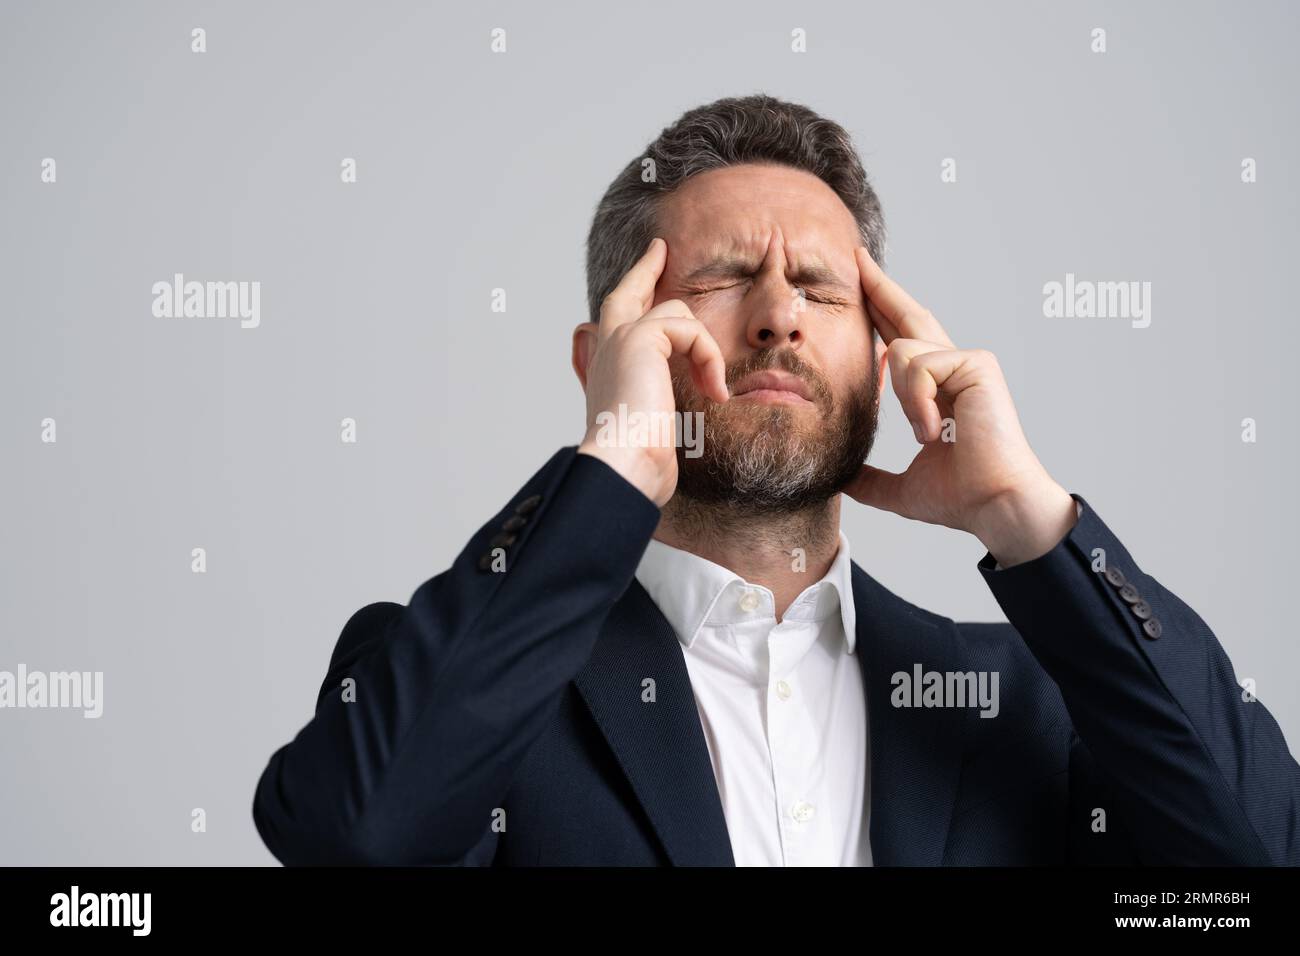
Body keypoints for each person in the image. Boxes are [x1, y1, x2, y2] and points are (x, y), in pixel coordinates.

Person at [252, 94, 1300, 866]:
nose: (776, 315)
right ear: (602, 356)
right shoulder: (458, 677)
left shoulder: (1032, 695)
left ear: (885, 354)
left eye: (818, 287)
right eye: (717, 279)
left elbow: (1254, 855)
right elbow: (357, 839)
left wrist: (1033, 525)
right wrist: (610, 461)